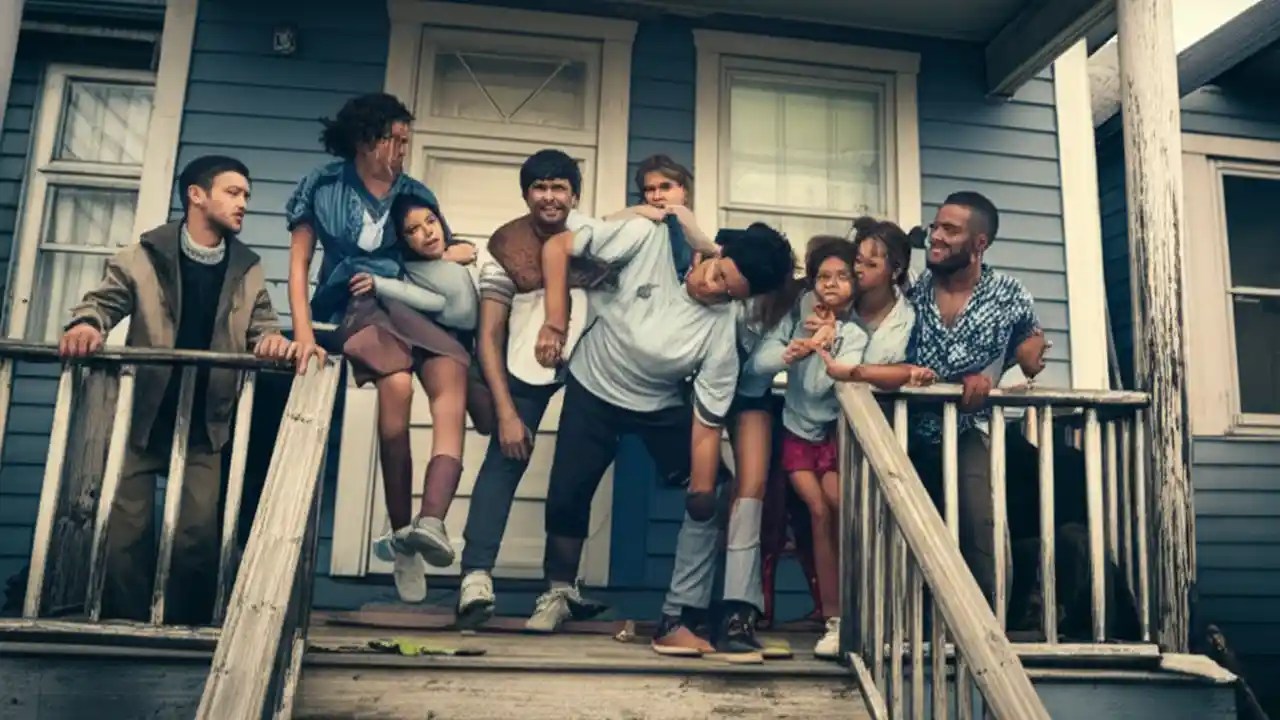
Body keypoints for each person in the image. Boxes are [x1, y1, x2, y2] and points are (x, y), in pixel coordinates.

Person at [534, 218, 793, 657]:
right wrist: (555, 323)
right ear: (716, 251)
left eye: (729, 293)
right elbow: (557, 246)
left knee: (713, 493)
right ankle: (557, 593)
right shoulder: (647, 239)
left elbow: (707, 423)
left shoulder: (719, 333)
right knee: (567, 495)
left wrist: (702, 487)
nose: (714, 290)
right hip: (592, 387)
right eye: (719, 274)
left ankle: (678, 617)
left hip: (656, 404)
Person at [59, 155, 293, 624]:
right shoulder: (143, 254)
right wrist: (87, 325)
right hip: (143, 414)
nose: (243, 202)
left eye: (246, 195)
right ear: (196, 195)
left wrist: (271, 341)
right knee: (125, 532)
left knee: (197, 535)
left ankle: (184, 628)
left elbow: (263, 326)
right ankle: (124, 626)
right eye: (233, 192)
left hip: (207, 420)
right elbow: (103, 301)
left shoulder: (246, 268)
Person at [285, 92, 479, 605]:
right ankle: (403, 540)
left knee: (453, 373)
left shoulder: (414, 190)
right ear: (369, 139)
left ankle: (431, 521)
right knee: (395, 386)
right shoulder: (323, 185)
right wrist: (304, 333)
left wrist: (458, 250)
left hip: (414, 304)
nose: (403, 150)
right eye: (397, 141)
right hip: (355, 304)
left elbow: (438, 250)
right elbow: (300, 265)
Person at [455, 149, 619, 628]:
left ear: (575, 194)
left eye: (559, 187)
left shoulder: (597, 238)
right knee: (505, 461)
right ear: (526, 194)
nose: (549, 196)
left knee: (576, 468)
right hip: (525, 363)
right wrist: (505, 410)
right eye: (539, 187)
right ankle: (476, 576)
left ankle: (560, 589)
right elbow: (488, 333)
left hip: (593, 364)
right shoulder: (505, 245)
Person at [901, 191, 1049, 611]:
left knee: (976, 523)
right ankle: (910, 626)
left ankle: (981, 627)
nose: (936, 236)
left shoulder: (1009, 293)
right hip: (903, 431)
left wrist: (1029, 354)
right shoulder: (909, 290)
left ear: (979, 243)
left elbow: (1030, 338)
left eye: (950, 229)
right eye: (935, 226)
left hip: (967, 430)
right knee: (905, 532)